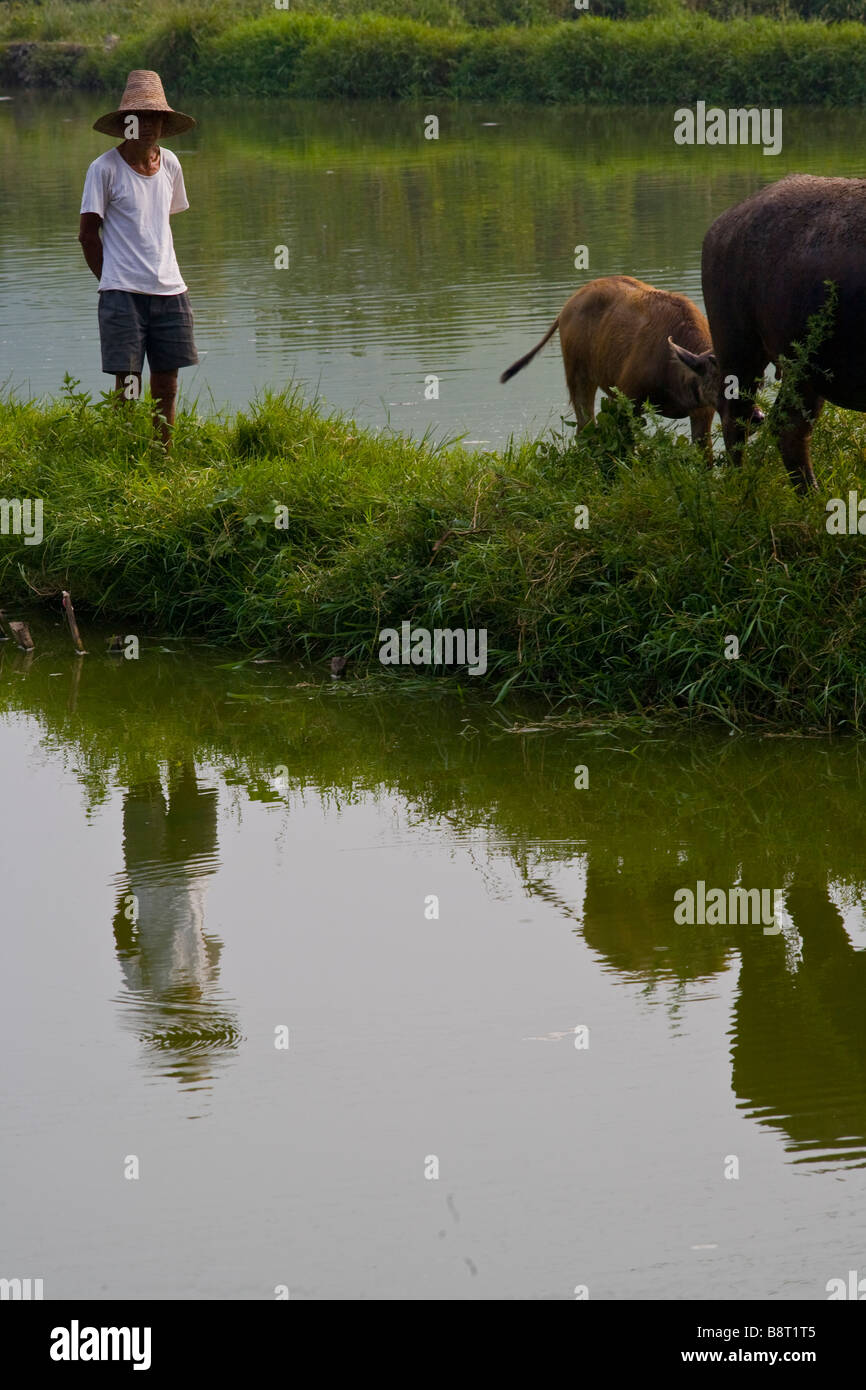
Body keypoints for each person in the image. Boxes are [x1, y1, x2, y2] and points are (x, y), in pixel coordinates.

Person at [78, 70, 198, 448]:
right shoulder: (104, 170)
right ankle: (124, 455)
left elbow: (158, 224)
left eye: (154, 118)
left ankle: (164, 454)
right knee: (128, 383)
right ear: (124, 124)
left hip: (170, 291)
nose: (146, 126)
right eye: (138, 118)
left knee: (168, 382)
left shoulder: (172, 165)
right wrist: (110, 278)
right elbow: (87, 234)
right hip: (122, 294)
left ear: (164, 123)